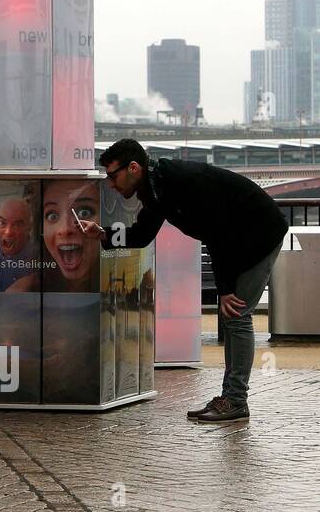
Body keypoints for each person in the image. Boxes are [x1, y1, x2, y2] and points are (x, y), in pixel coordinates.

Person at [80, 139, 287, 423]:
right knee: (233, 316)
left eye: (113, 176)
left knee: (237, 315)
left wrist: (225, 290)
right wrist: (103, 234)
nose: (112, 184)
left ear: (133, 167)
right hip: (238, 238)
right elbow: (141, 235)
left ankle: (236, 400)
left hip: (260, 234)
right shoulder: (155, 189)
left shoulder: (179, 181)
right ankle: (232, 398)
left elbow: (219, 233)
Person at [10, 181, 102, 294]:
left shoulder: (120, 286)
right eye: (52, 215)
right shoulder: (23, 292)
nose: (65, 229)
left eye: (84, 212)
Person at [0, 196, 36, 291]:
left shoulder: (37, 255)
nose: (8, 232)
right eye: (2, 223)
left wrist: (31, 280)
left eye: (17, 225)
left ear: (29, 227)